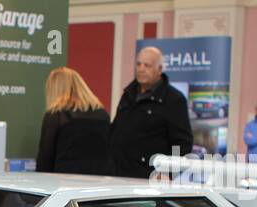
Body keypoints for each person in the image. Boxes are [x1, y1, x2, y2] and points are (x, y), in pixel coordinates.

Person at [108, 46, 194, 178]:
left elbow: (182, 144)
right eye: (138, 64)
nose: (141, 69)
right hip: (118, 174)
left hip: (149, 178)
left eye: (147, 65)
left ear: (159, 69)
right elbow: (115, 131)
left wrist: (168, 173)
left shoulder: (173, 100)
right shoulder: (128, 94)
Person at [34, 67, 110, 174]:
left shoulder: (56, 115)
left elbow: (45, 160)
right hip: (99, 182)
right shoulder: (103, 114)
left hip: (66, 183)